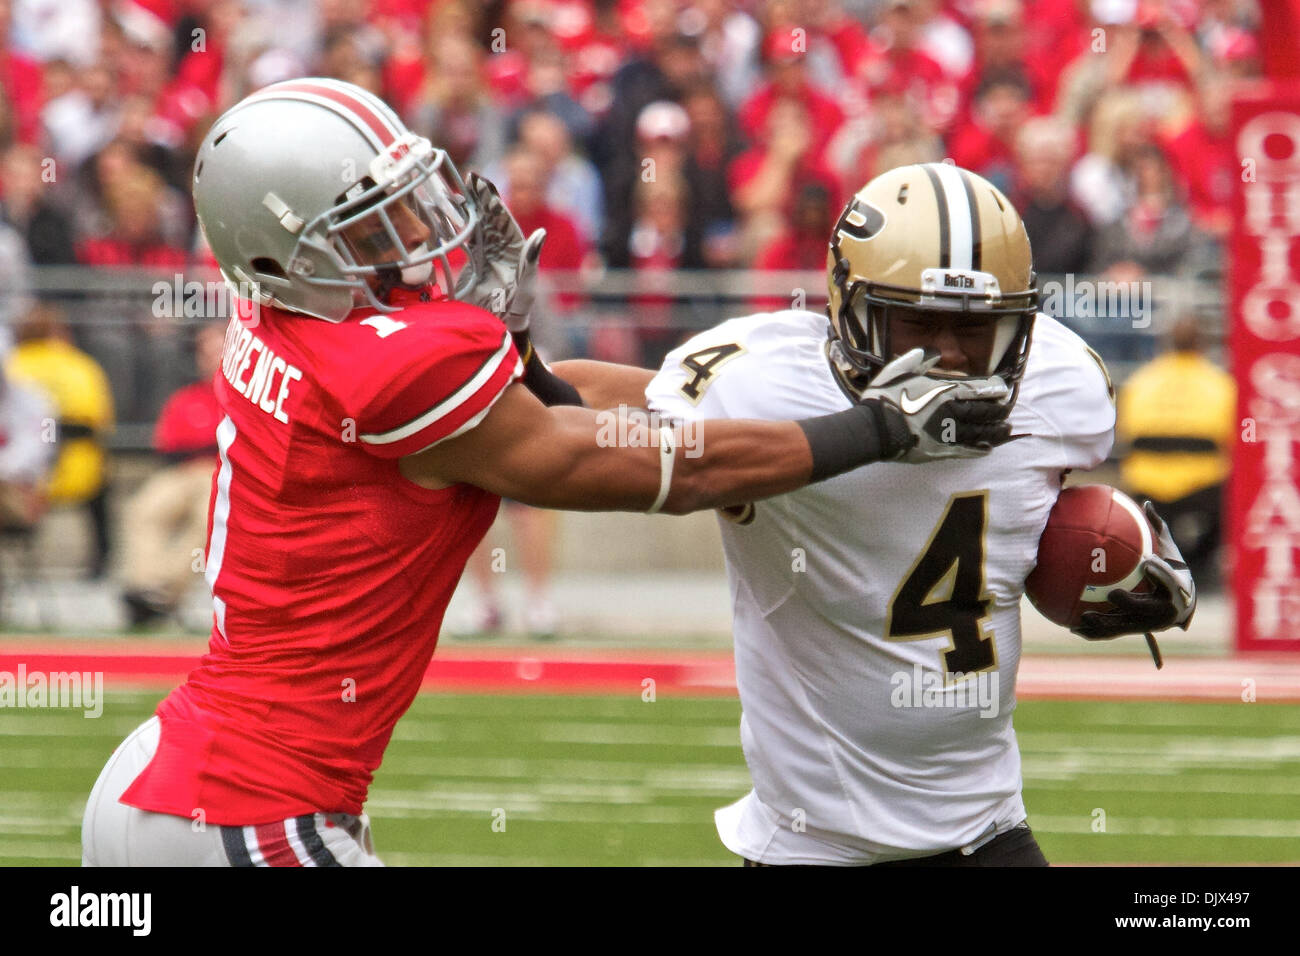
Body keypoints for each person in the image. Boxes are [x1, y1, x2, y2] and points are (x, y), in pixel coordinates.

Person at [81, 79, 1015, 867]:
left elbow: (553, 408)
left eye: (406, 200)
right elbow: (630, 466)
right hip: (244, 803)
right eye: (373, 227)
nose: (416, 231)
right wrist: (880, 429)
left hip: (171, 772)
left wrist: (522, 356)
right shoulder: (387, 365)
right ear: (283, 252)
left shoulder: (292, 323)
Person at [522, 163, 1198, 866]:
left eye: (978, 327)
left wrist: (1102, 555)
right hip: (813, 845)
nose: (950, 353)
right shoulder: (768, 382)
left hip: (987, 829)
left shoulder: (1060, 384)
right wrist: (520, 366)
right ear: (849, 308)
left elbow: (1046, 506)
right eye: (918, 322)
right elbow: (614, 431)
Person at [119, 322, 226, 626]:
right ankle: (143, 588)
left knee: (208, 515)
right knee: (143, 508)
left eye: (218, 349)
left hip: (223, 474)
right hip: (183, 472)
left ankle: (162, 592)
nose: (212, 358)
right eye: (206, 352)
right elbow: (168, 448)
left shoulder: (246, 396)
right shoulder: (185, 398)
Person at [1117, 316, 1234, 590]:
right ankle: (1195, 566)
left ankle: (1159, 568)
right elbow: (1240, 435)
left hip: (1145, 484)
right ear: (1202, 344)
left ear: (1166, 344)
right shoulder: (1221, 384)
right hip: (1203, 486)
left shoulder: (1140, 382)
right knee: (1234, 504)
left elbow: (1125, 433)